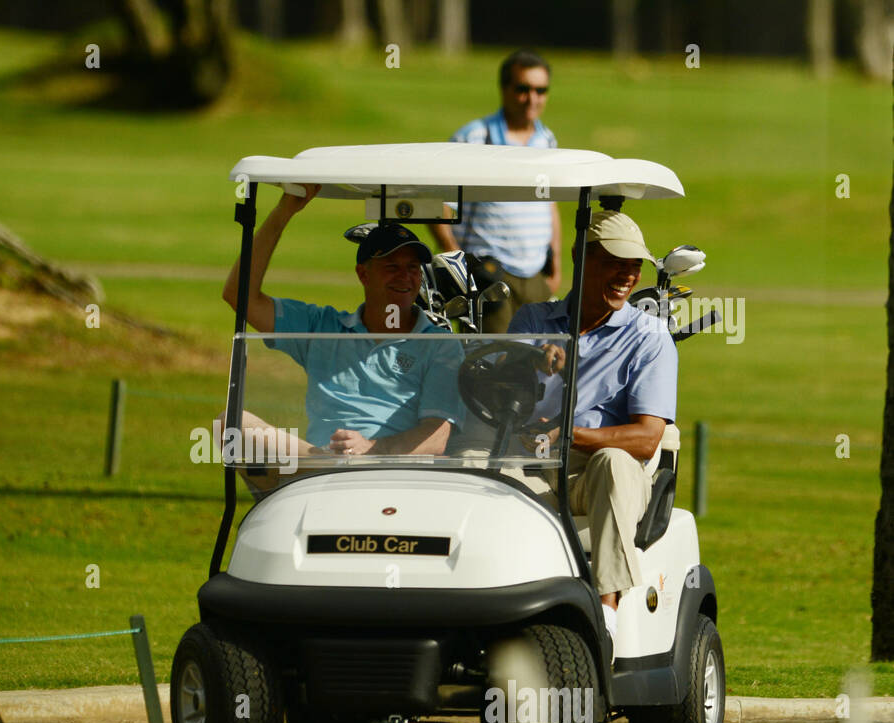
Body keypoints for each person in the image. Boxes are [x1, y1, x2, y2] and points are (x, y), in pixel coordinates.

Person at [509, 211, 676, 641]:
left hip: (594, 473)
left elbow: (646, 438)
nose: (627, 275)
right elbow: (494, 397)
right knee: (471, 464)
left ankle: (607, 615)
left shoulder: (649, 337)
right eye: (615, 262)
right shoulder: (532, 322)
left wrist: (567, 435)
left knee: (616, 462)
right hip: (530, 466)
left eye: (634, 265)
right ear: (581, 260)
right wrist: (529, 362)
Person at [221, 184, 463, 464]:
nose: (405, 278)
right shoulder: (321, 326)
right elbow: (240, 297)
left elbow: (437, 438)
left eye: (412, 269)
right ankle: (325, 463)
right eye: (392, 268)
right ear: (364, 274)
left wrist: (371, 448)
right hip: (316, 464)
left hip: (395, 468)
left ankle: (326, 465)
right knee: (229, 424)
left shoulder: (440, 344)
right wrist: (283, 212)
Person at [430, 49, 562, 333]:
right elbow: (436, 202)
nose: (533, 98)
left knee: (538, 364)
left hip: (536, 274)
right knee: (491, 364)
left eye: (541, 90)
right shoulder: (474, 137)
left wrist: (557, 263)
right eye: (523, 89)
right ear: (504, 89)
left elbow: (549, 204)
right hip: (487, 274)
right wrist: (457, 264)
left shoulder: (547, 139)